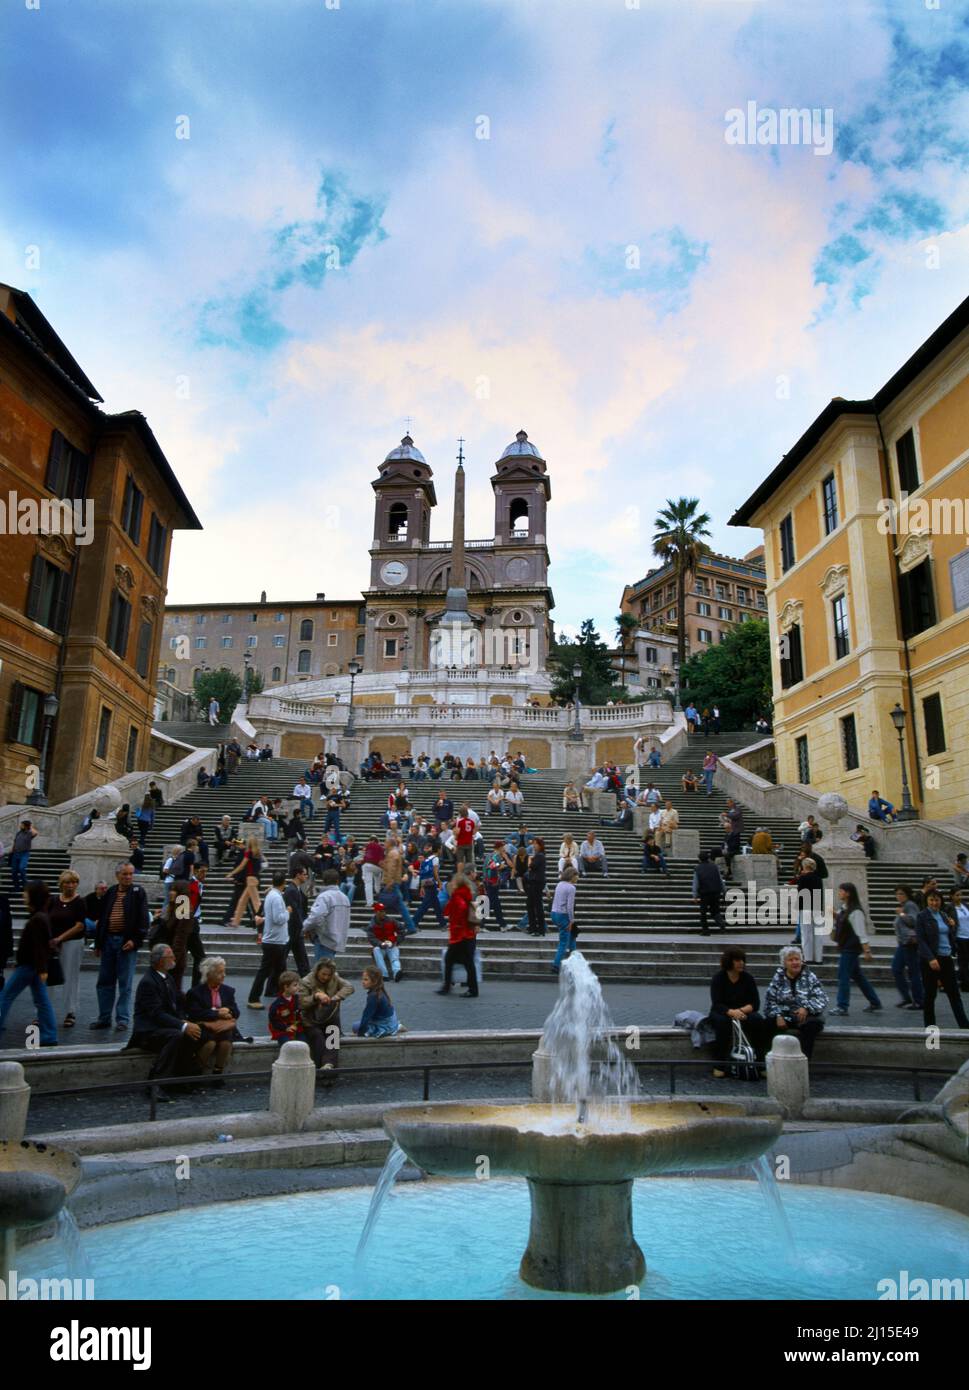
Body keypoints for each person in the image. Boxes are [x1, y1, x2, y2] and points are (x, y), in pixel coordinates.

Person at [127, 943, 201, 1095]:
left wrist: (185, 1021)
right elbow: (157, 1014)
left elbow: (177, 1006)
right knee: (178, 1035)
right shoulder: (148, 982)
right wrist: (183, 1026)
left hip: (162, 1026)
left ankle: (183, 1081)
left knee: (193, 1033)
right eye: (171, 956)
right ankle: (156, 1083)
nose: (175, 958)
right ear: (160, 961)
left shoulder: (168, 978)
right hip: (147, 1031)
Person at [91, 862, 150, 1032]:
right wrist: (99, 942)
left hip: (126, 942)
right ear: (117, 875)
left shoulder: (138, 892)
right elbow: (103, 918)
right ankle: (104, 1017)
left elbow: (143, 919)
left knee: (125, 982)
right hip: (108, 940)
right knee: (104, 981)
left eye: (130, 874)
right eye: (125, 874)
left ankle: (122, 1019)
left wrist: (136, 940)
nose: (128, 877)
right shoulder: (110, 892)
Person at [0, 882, 57, 1047]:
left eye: (26, 893)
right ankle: (49, 1034)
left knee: (6, 996)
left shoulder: (37, 919)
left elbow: (39, 947)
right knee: (42, 1000)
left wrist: (41, 969)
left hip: (29, 966)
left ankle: (49, 1033)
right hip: (34, 966)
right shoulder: (41, 916)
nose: (23, 896)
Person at [708, 947, 766, 1078]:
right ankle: (719, 1065)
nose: (741, 963)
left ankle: (760, 1064)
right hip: (723, 1011)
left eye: (742, 960)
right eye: (737, 960)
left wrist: (739, 1011)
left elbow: (755, 1003)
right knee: (722, 1024)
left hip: (743, 1010)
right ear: (729, 962)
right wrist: (731, 1012)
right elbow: (716, 1003)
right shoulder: (718, 978)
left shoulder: (748, 978)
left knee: (758, 1020)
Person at [915, 888, 969, 1028]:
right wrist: (931, 958)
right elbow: (921, 940)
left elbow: (947, 936)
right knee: (930, 995)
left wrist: (952, 927)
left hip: (946, 958)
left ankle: (964, 1026)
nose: (934, 903)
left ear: (941, 901)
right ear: (927, 901)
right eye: (931, 900)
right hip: (931, 960)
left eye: (937, 900)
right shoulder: (922, 916)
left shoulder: (944, 915)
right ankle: (930, 1028)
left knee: (954, 994)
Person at [829, 883, 882, 1016]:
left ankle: (842, 1006)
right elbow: (841, 919)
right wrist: (833, 914)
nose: (839, 893)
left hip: (851, 947)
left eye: (841, 891)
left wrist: (867, 950)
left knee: (843, 976)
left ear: (848, 893)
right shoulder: (845, 908)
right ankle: (874, 1001)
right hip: (846, 946)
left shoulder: (856, 911)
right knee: (858, 976)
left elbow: (861, 933)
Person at [763, 946, 827, 1057]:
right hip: (784, 1016)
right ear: (784, 963)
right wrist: (778, 1015)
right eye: (791, 960)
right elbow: (769, 1001)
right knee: (767, 1024)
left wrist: (806, 1008)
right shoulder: (778, 978)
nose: (795, 962)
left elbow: (822, 998)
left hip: (806, 1017)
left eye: (797, 959)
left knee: (812, 1026)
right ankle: (770, 1061)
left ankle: (803, 1061)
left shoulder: (810, 977)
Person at [185, 956, 242, 1080]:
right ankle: (196, 1072)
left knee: (226, 1043)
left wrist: (229, 1011)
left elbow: (236, 1011)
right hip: (204, 1027)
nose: (224, 975)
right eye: (220, 972)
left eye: (224, 971)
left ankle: (218, 1073)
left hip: (223, 1027)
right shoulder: (195, 992)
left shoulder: (228, 991)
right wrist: (217, 1014)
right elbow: (195, 1013)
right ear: (208, 974)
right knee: (209, 1044)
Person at [298, 958, 354, 1072]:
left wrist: (335, 998)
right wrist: (315, 997)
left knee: (333, 1036)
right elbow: (300, 1003)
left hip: (330, 1018)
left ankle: (328, 1067)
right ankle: (321, 1068)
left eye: (328, 975)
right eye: (323, 974)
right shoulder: (306, 981)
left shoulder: (335, 977)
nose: (326, 977)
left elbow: (349, 987)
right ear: (317, 971)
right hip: (310, 1020)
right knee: (318, 1038)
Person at [48, 869, 87, 1029]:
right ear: (61, 884)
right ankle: (44, 1011)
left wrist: (60, 938)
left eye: (73, 882)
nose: (70, 885)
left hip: (72, 943)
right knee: (48, 977)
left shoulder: (80, 902)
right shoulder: (53, 900)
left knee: (71, 977)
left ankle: (70, 1012)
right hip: (53, 944)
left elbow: (79, 925)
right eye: (67, 882)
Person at [247, 871, 291, 1008]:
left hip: (274, 939)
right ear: (284, 883)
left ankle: (282, 995)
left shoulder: (271, 895)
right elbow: (279, 919)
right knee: (266, 970)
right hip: (275, 941)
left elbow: (270, 917)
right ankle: (253, 997)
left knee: (279, 970)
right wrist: (288, 912)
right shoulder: (277, 898)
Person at [437, 871, 478, 996]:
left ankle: (448, 987)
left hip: (459, 934)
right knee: (467, 962)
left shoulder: (458, 896)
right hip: (467, 934)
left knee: (451, 960)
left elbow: (452, 910)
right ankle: (470, 989)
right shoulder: (466, 894)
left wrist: (458, 922)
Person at [304, 869, 351, 963]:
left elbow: (316, 916)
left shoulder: (324, 897)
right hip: (336, 939)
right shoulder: (345, 898)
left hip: (324, 939)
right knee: (328, 970)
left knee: (322, 971)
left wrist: (304, 927)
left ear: (324, 881)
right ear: (338, 881)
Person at [891, 886, 923, 1010]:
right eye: (897, 894)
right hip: (903, 943)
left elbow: (913, 922)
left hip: (910, 943)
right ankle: (906, 997)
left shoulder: (910, 905)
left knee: (913, 971)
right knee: (896, 968)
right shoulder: (904, 906)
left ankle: (919, 1000)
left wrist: (902, 914)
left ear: (908, 894)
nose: (899, 896)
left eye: (902, 894)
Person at [792, 857, 825, 962]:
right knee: (818, 934)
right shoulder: (818, 878)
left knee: (806, 934)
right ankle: (818, 958)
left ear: (804, 866)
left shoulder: (803, 878)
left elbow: (800, 892)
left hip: (805, 907)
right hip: (817, 907)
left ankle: (808, 958)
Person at [353, 966, 401, 1037]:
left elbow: (366, 1016)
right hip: (391, 1020)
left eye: (366, 980)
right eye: (362, 979)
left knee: (355, 1027)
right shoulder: (379, 990)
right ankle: (396, 1026)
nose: (362, 982)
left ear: (374, 981)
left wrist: (361, 1033)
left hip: (386, 1026)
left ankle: (394, 1028)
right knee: (358, 1025)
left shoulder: (373, 996)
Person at [227, 838, 262, 928]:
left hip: (250, 879)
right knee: (242, 901)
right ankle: (235, 922)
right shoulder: (258, 853)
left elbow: (242, 866)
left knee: (256, 902)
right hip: (255, 878)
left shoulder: (249, 853)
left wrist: (231, 873)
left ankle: (262, 921)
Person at [550, 867, 578, 974]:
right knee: (563, 941)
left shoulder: (559, 884)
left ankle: (574, 959)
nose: (577, 878)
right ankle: (556, 965)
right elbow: (570, 906)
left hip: (554, 913)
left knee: (572, 936)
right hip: (563, 915)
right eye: (576, 875)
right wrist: (571, 921)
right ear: (572, 876)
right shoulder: (571, 888)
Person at [284, 866, 311, 976]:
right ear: (298, 875)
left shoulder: (296, 889)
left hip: (295, 930)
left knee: (302, 960)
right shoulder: (291, 890)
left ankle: (306, 982)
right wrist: (303, 927)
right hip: (292, 930)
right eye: (304, 874)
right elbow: (295, 912)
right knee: (284, 958)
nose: (306, 876)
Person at [692, 850, 726, 934]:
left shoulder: (697, 868)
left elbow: (695, 883)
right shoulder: (715, 867)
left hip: (704, 893)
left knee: (703, 912)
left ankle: (705, 930)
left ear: (699, 859)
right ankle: (721, 923)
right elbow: (720, 880)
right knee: (715, 910)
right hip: (715, 892)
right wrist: (724, 891)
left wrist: (695, 896)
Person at [368, 901, 403, 982]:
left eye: (384, 911)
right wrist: (381, 944)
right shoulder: (371, 925)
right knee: (376, 950)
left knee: (394, 956)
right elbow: (371, 938)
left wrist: (395, 941)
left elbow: (402, 930)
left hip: (391, 944)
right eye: (381, 911)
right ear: (376, 912)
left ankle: (397, 972)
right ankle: (384, 974)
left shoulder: (392, 921)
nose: (383, 913)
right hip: (380, 947)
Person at [412, 849, 447, 928]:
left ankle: (443, 924)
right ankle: (413, 923)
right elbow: (435, 872)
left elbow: (423, 874)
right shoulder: (435, 859)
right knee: (425, 905)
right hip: (431, 884)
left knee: (436, 905)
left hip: (427, 883)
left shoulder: (427, 860)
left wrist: (422, 886)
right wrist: (440, 883)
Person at [269, 971, 303, 1048]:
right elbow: (274, 1021)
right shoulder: (277, 1004)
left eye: (298, 985)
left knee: (304, 1043)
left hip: (296, 1028)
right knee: (287, 1045)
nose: (298, 987)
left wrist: (299, 1023)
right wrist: (285, 1028)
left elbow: (299, 1014)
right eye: (295, 985)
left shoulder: (297, 999)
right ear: (286, 987)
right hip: (282, 1030)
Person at [525, 837, 547, 937]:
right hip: (533, 882)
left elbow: (531, 866)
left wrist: (530, 860)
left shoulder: (540, 856)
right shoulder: (538, 856)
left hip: (536, 883)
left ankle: (540, 929)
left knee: (537, 906)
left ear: (540, 845)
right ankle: (533, 927)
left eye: (535, 844)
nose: (534, 845)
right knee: (530, 905)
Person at [9, 820, 38, 890]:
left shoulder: (29, 833)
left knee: (22, 868)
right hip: (15, 854)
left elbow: (36, 833)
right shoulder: (18, 833)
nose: (20, 826)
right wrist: (12, 850)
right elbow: (15, 841)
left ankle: (25, 885)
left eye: (21, 825)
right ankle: (16, 887)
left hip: (24, 854)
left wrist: (30, 826)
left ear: (25, 826)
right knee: (14, 871)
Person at [953, 886, 969, 992]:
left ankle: (962, 979)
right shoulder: (950, 908)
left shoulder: (965, 905)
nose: (959, 897)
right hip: (959, 937)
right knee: (963, 961)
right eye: (957, 895)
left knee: (966, 961)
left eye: (960, 894)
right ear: (952, 896)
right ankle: (965, 984)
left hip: (968, 935)